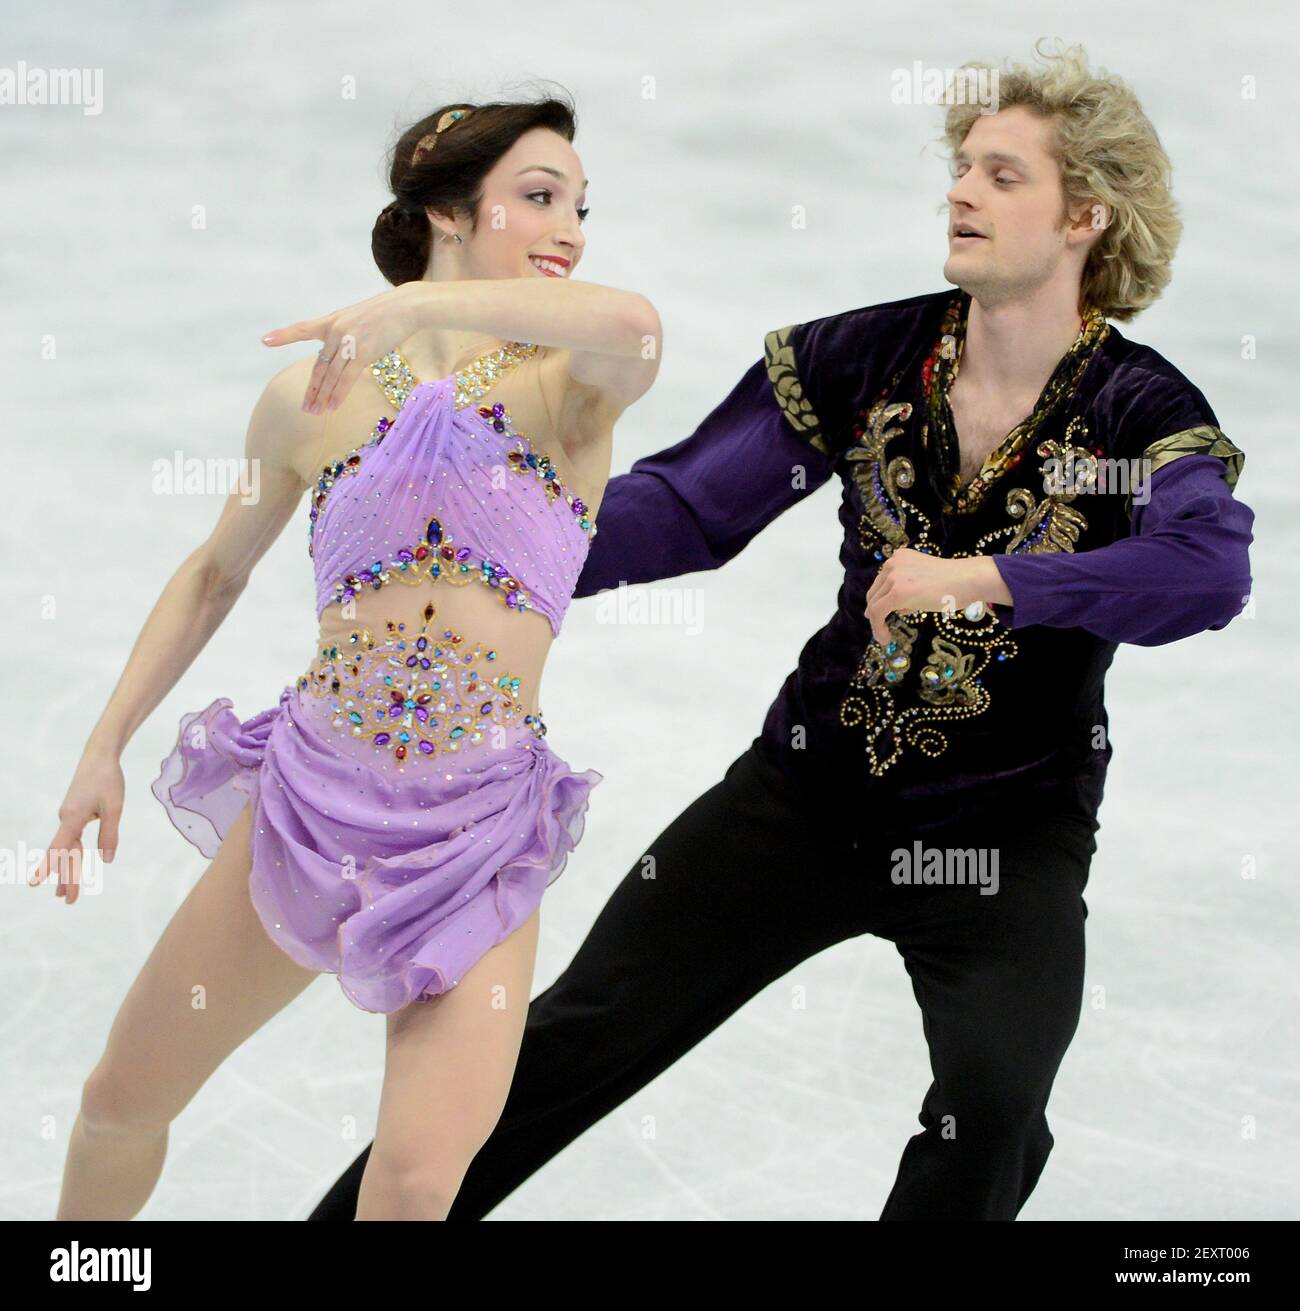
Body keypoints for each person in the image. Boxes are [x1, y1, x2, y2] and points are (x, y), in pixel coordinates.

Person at [306, 43, 1255, 1221]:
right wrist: (485, 544)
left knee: (995, 1103)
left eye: (1003, 176)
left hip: (1004, 839)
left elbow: (1206, 572)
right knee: (568, 1043)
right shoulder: (864, 356)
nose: (960, 190)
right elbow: (693, 506)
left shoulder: (1138, 411)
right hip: (803, 803)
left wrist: (989, 581)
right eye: (961, 167)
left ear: (1084, 218)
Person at [33, 93, 662, 1221]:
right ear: (445, 209)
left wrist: (418, 298)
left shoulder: (568, 390)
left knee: (418, 1181)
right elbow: (212, 573)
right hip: (308, 803)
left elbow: (639, 328)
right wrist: (104, 743)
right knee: (120, 1099)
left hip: (474, 831)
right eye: (537, 197)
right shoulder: (311, 399)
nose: (569, 226)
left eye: (579, 205)